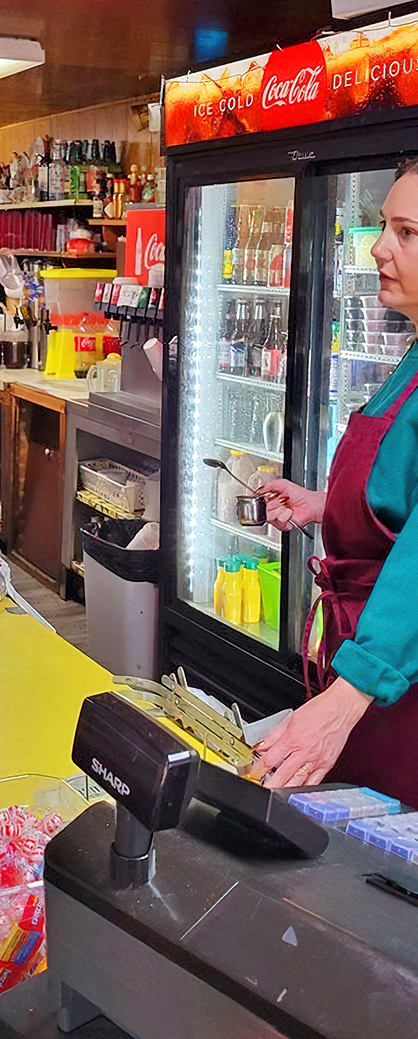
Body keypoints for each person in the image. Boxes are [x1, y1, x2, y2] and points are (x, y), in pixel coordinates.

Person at [255, 159, 418, 806]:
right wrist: (326, 507)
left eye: (407, 233)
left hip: (396, 680)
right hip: (368, 665)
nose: (378, 247)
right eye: (384, 227)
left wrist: (349, 696)